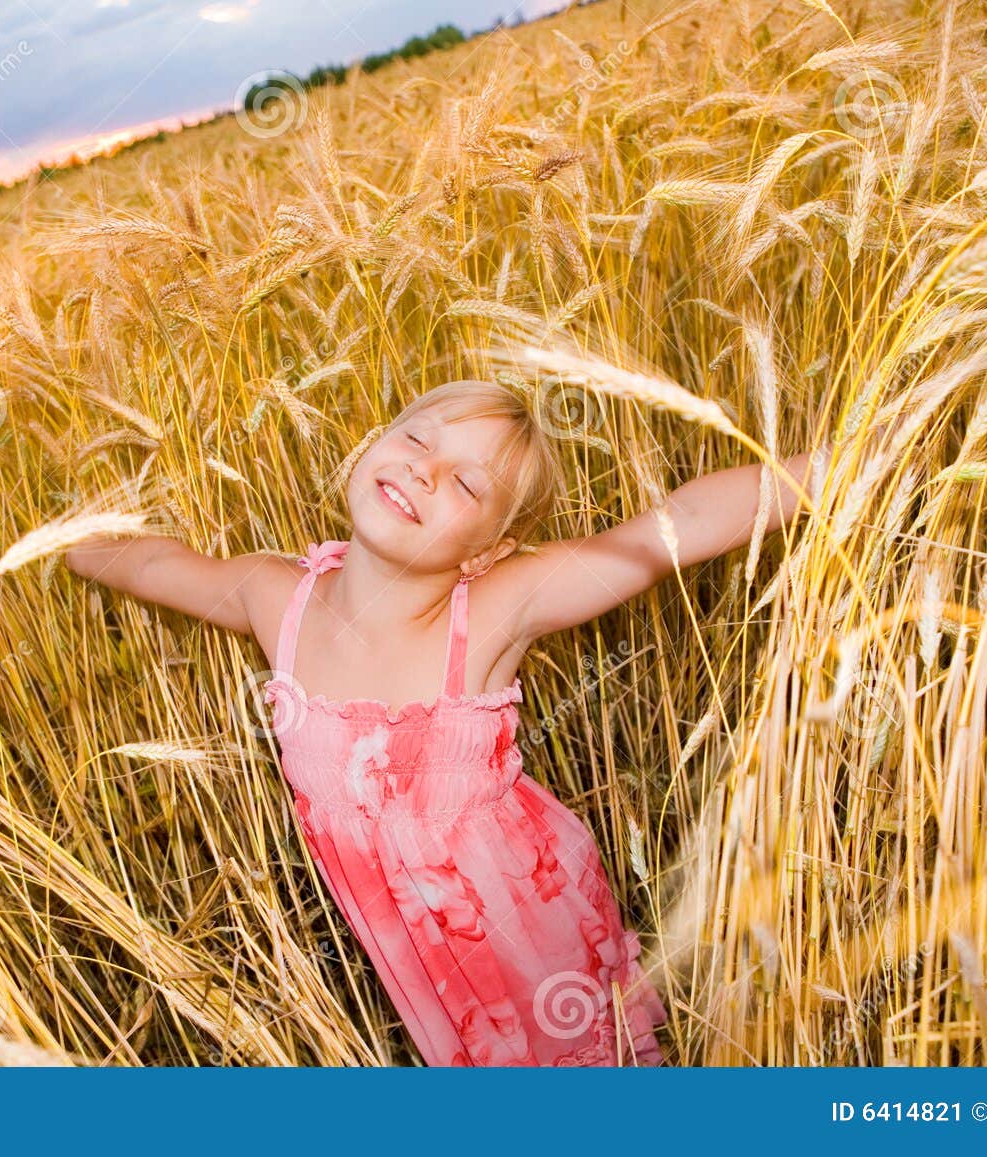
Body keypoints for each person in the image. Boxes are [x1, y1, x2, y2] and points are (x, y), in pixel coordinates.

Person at [67, 378, 818, 1065]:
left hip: (528, 931)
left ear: (487, 550)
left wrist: (832, 472)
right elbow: (159, 567)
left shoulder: (494, 608)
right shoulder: (277, 601)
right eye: (417, 438)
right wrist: (69, 543)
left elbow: (669, 530)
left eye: (466, 482)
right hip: (413, 958)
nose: (425, 470)